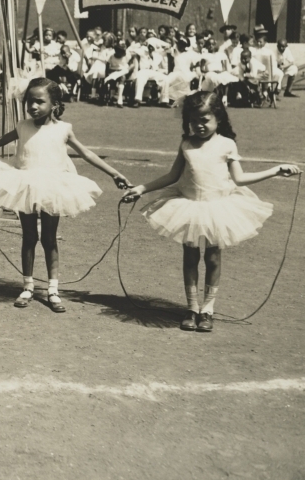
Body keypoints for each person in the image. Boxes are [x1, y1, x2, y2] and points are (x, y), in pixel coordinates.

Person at [122, 90, 299, 331]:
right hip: (190, 207)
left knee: (213, 257)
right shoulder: (186, 144)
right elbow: (172, 176)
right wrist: (141, 188)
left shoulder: (227, 144)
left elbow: (240, 178)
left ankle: (208, 309)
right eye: (194, 120)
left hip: (219, 208)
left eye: (204, 120)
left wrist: (275, 170)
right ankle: (192, 307)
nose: (199, 125)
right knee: (191, 257)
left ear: (218, 118)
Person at [0, 78, 131, 312]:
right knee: (29, 237)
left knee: (49, 239)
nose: (33, 106)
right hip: (26, 185)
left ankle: (52, 289)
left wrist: (114, 173)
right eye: (29, 101)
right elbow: (1, 140)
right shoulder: (23, 126)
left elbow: (86, 153)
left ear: (54, 104)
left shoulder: (63, 129)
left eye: (39, 101)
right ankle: (28, 286)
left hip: (52, 187)